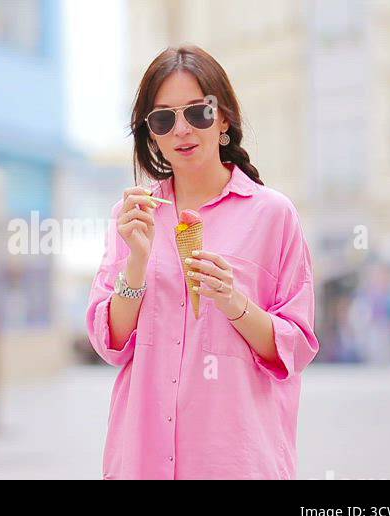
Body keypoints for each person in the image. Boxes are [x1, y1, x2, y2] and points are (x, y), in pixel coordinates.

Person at [86, 45, 319, 480]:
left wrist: (235, 303)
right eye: (163, 118)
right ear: (150, 133)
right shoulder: (133, 216)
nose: (182, 130)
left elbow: (296, 346)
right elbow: (111, 343)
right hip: (144, 457)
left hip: (236, 459)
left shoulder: (273, 215)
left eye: (198, 112)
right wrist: (137, 263)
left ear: (224, 118)